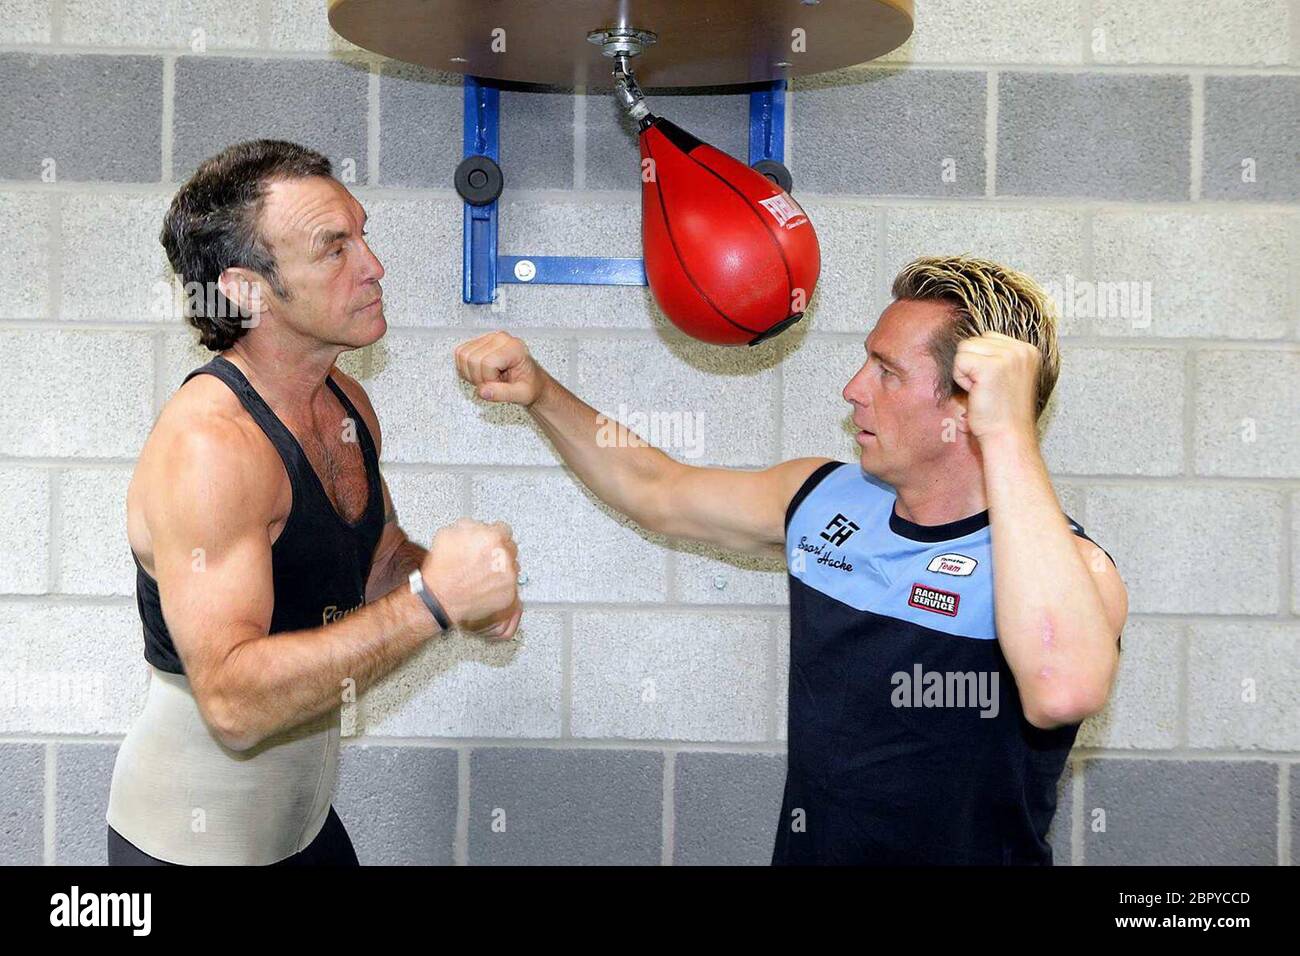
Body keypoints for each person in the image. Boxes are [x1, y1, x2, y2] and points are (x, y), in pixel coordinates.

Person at [453, 255, 1128, 864]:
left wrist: (1007, 431)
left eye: (887, 372)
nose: (853, 388)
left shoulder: (1069, 569)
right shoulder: (824, 498)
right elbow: (655, 489)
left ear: (969, 403)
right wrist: (541, 392)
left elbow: (1060, 691)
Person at [107, 139, 522, 865]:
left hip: (305, 834)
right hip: (193, 848)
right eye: (335, 249)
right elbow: (234, 705)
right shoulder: (212, 447)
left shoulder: (345, 400)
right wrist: (433, 604)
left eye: (363, 234)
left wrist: (450, 582)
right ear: (244, 289)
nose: (374, 267)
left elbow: (378, 558)